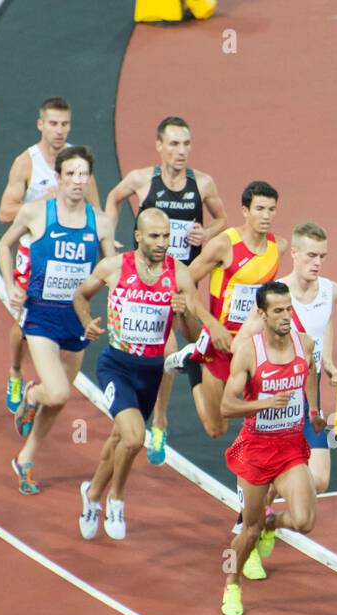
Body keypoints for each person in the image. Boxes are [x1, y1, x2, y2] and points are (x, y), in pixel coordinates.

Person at [104, 116, 227, 463]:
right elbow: (113, 199)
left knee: (189, 342)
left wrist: (208, 233)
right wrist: (108, 240)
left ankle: (175, 401)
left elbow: (222, 218)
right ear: (159, 145)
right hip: (145, 281)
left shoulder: (201, 183)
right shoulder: (142, 180)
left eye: (186, 144)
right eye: (174, 144)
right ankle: (158, 420)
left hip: (183, 279)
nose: (181, 151)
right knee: (164, 346)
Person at [73, 208, 203, 538]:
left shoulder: (181, 274)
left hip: (151, 371)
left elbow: (191, 331)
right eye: (155, 236)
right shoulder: (114, 267)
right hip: (116, 365)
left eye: (167, 237)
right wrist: (87, 322)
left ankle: (91, 495)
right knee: (133, 437)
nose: (162, 243)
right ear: (139, 236)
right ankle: (115, 500)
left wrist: (184, 312)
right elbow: (80, 296)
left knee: (119, 440)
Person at [0, 145, 115, 494]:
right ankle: (31, 393)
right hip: (41, 316)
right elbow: (4, 244)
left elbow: (113, 272)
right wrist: (9, 286)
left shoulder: (101, 223)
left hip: (77, 318)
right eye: (71, 174)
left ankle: (26, 459)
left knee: (59, 399)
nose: (78, 181)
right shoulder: (36, 214)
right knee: (58, 392)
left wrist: (109, 312)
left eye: (83, 174)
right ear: (59, 178)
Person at [218, 283, 325, 615]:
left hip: (291, 447)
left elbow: (309, 375)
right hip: (257, 449)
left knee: (305, 521)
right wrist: (264, 403)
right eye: (278, 311)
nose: (285, 316)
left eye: (289, 309)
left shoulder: (303, 344)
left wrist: (313, 412)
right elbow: (227, 405)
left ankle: (272, 524)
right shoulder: (250, 352)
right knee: (247, 530)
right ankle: (232, 585)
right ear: (262, 314)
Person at [0, 97, 102, 413]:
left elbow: (96, 210)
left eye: (64, 124)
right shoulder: (26, 162)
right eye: (53, 124)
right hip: (33, 255)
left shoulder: (77, 165)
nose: (59, 131)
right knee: (23, 325)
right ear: (40, 124)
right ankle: (16, 372)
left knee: (67, 321)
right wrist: (44, 202)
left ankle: (47, 388)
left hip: (68, 256)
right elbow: (4, 212)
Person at [165, 181, 285, 438]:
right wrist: (212, 324)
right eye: (260, 209)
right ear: (245, 210)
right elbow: (185, 282)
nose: (266, 216)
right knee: (215, 429)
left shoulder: (279, 247)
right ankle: (192, 363)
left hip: (252, 344)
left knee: (264, 416)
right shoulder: (224, 244)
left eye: (271, 209)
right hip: (219, 343)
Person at [279, 223, 337, 493]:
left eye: (322, 257)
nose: (317, 263)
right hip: (279, 395)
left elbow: (325, 320)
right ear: (294, 253)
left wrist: (327, 360)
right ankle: (256, 505)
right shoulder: (275, 294)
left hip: (309, 395)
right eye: (311, 256)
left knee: (319, 481)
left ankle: (270, 508)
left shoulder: (330, 291)